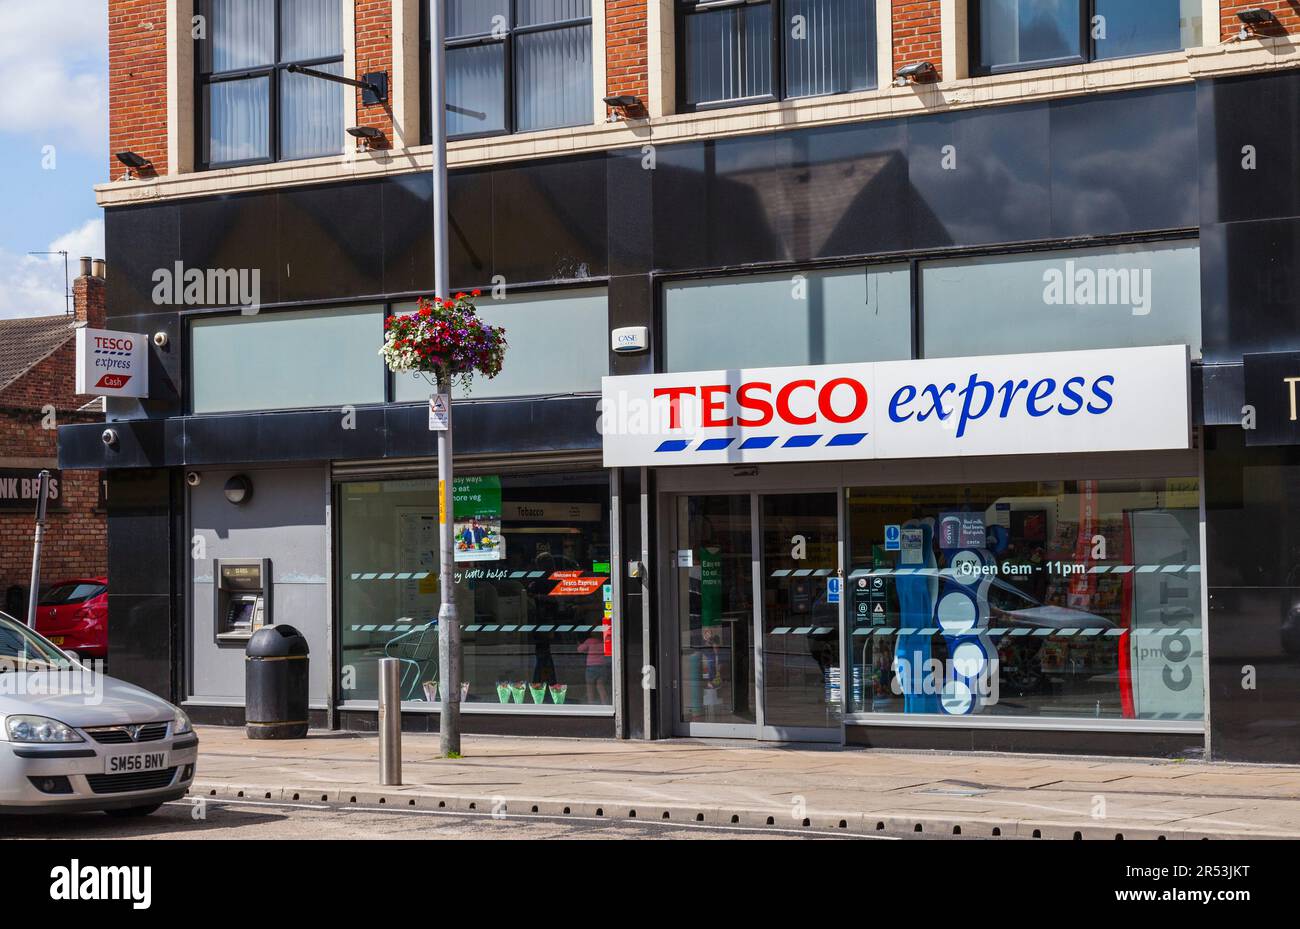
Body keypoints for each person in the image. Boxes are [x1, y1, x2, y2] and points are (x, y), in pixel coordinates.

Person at [577, 629, 610, 705]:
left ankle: (591, 704)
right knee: (601, 687)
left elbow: (579, 650)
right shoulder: (604, 642)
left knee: (590, 687)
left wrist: (579, 644)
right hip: (602, 667)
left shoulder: (590, 641)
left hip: (591, 668)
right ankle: (605, 704)